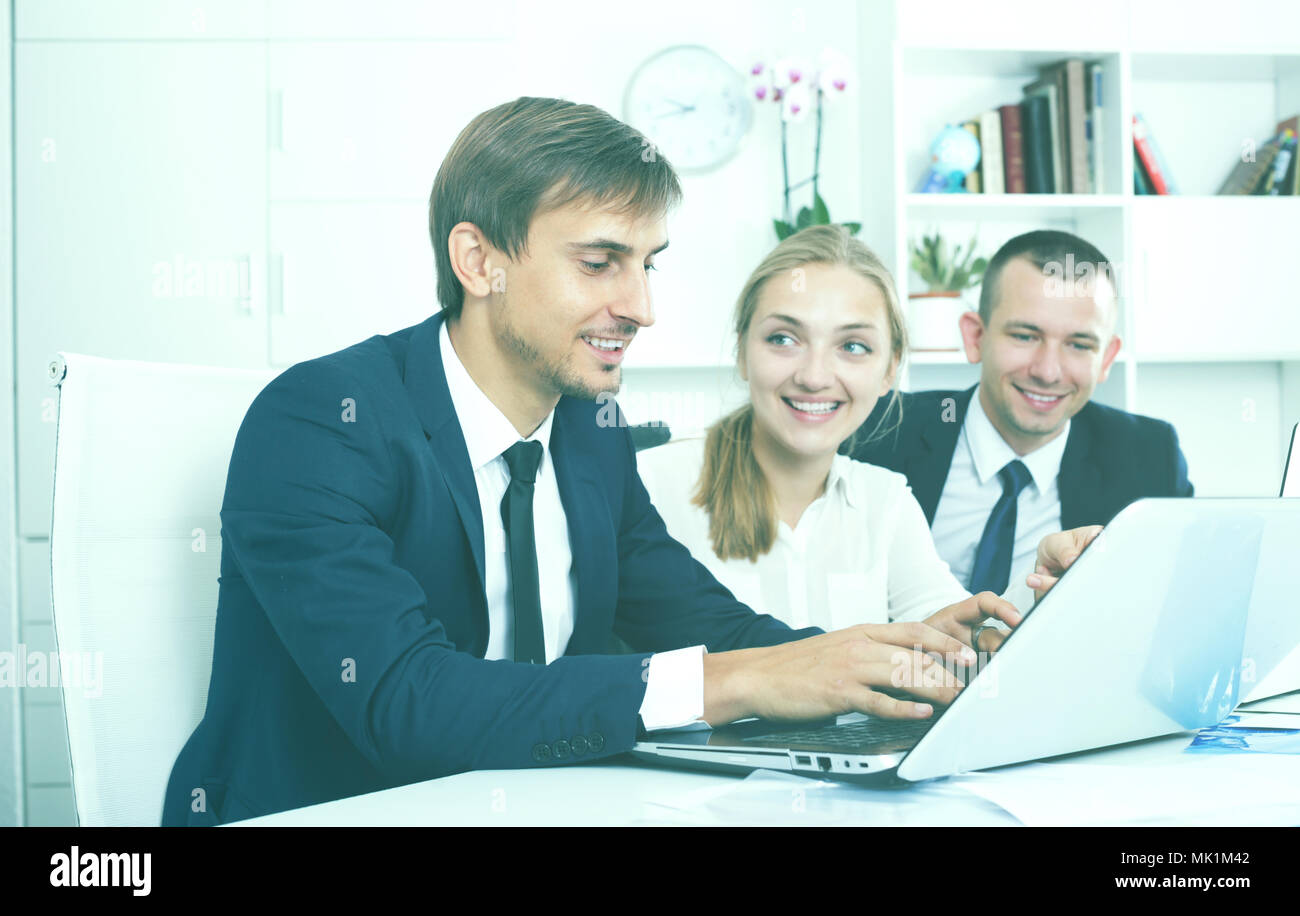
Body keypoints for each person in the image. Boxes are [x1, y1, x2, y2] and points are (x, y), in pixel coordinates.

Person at [162, 98, 1069, 826]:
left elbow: (703, 618)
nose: (640, 306)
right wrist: (736, 682)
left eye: (648, 264)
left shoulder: (588, 425)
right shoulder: (322, 421)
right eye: (600, 262)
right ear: (480, 260)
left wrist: (906, 662)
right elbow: (407, 702)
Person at [636, 225, 1080, 639]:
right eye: (783, 339)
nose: (814, 377)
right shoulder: (649, 484)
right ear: (741, 352)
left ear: (889, 369)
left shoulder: (885, 500)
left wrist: (1038, 588)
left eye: (852, 347)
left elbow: (955, 628)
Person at [848, 230, 1193, 597]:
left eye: (1079, 345)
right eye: (1025, 336)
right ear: (976, 337)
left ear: (1106, 358)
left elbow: (1174, 607)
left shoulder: (1151, 458)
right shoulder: (877, 428)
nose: (1048, 372)